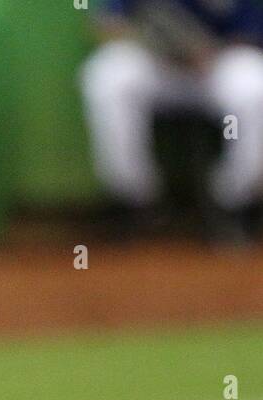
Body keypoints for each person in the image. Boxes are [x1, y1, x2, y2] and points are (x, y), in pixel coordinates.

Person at [80, 0, 263, 242]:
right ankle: (136, 201)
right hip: (155, 62)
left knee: (254, 86)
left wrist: (203, 49)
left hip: (217, 63)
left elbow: (251, 35)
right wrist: (165, 44)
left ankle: (234, 203)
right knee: (107, 76)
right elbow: (106, 26)